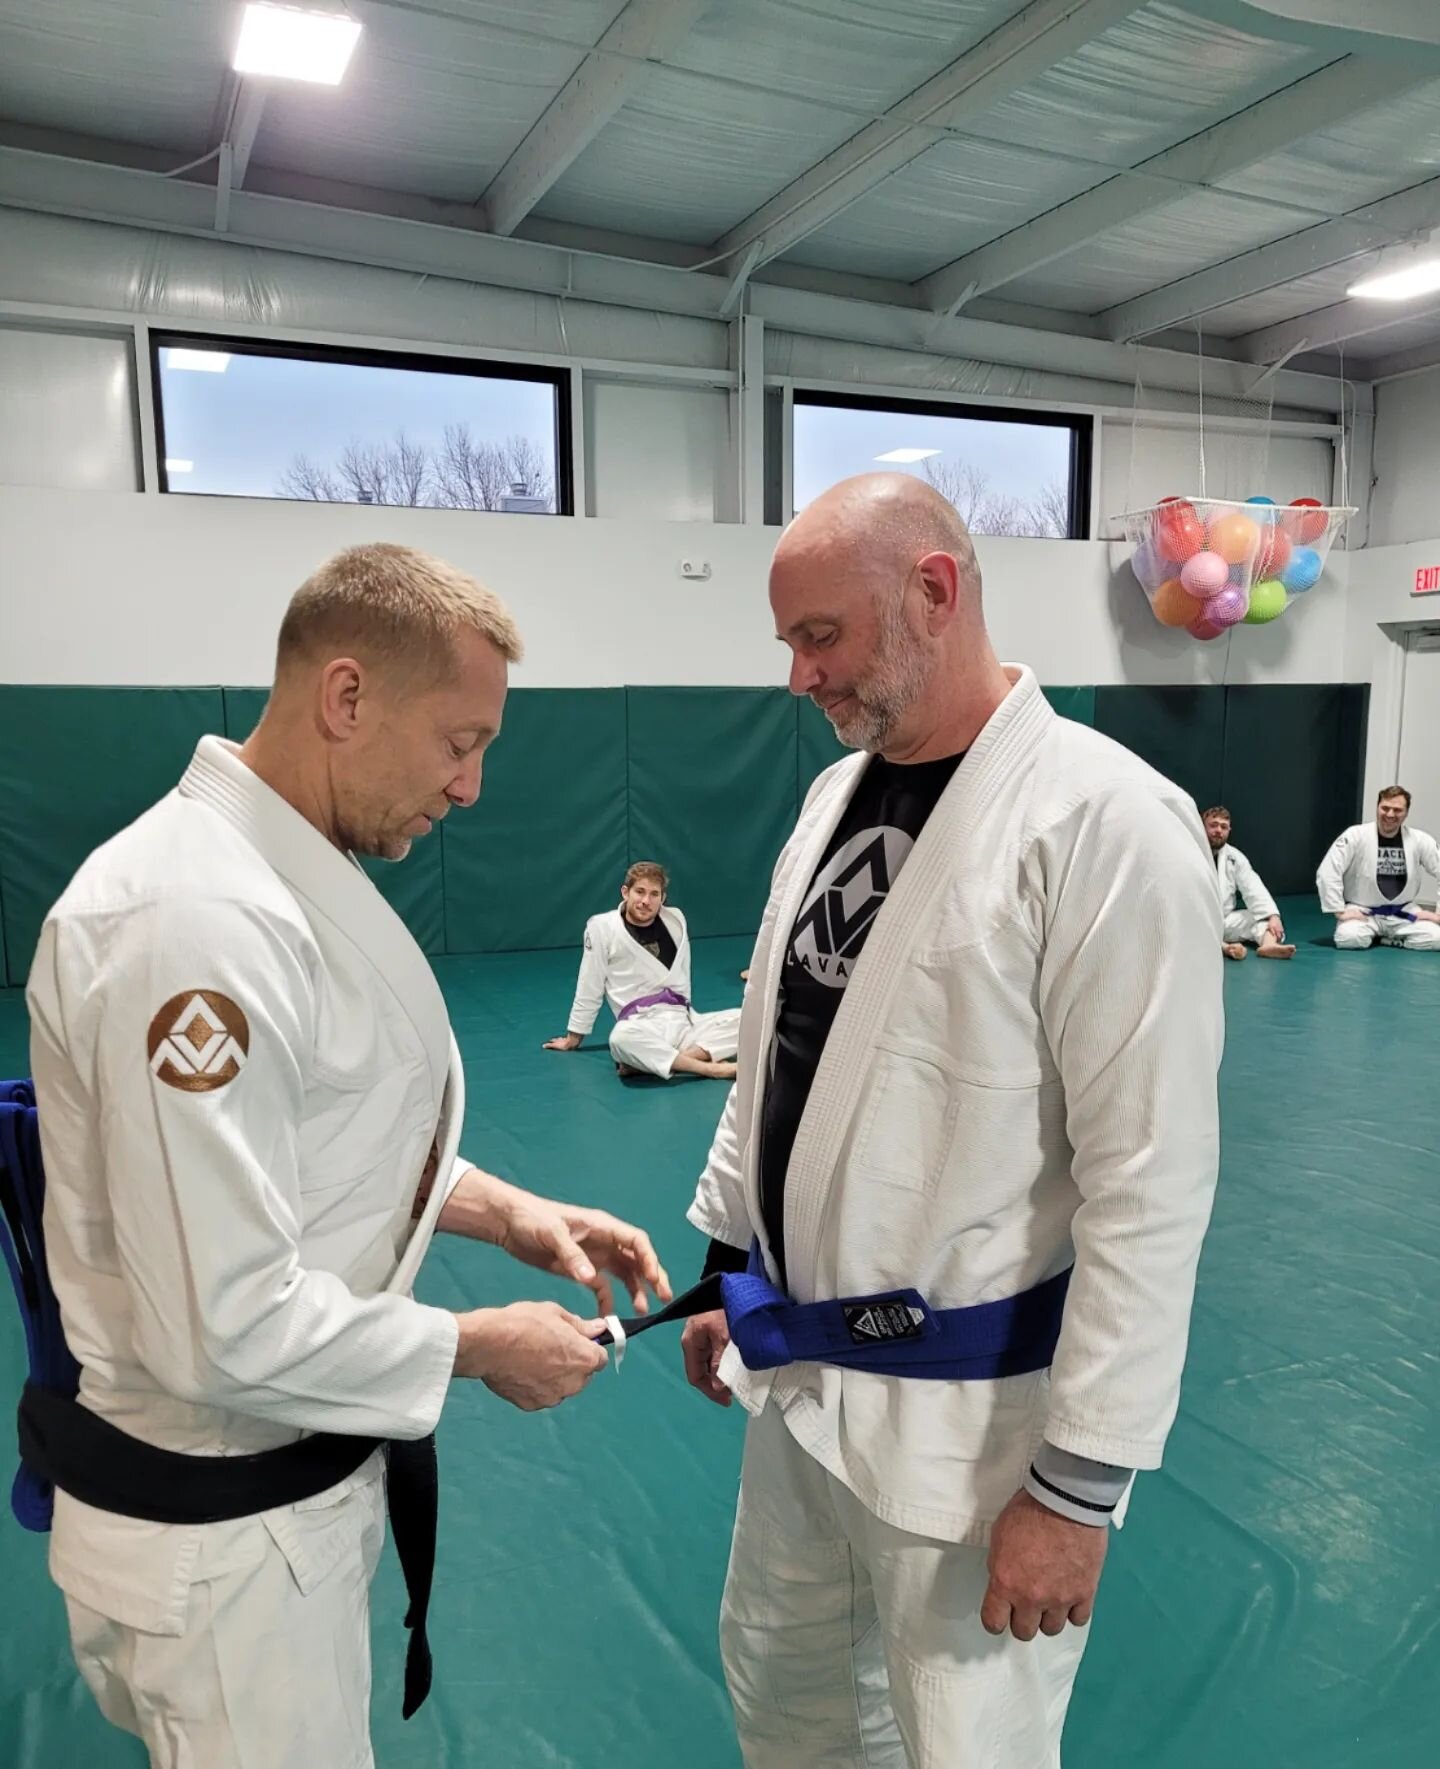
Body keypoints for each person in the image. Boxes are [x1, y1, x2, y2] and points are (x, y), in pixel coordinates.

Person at [23, 543, 670, 1769]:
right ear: (348, 697)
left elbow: (320, 1138)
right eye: (458, 742)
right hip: (218, 1546)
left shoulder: (265, 876)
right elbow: (220, 1325)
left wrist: (510, 1210)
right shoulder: (199, 920)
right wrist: (478, 1346)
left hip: (258, 1509)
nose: (472, 788)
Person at [679, 475, 1223, 1768]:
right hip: (804, 1389)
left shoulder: (1106, 821)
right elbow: (776, 1058)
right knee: (785, 1701)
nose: (798, 676)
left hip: (975, 1437)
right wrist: (725, 1264)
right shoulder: (830, 803)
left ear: (934, 591)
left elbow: (1151, 1178)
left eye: (822, 635)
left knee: (963, 1741)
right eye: (789, 642)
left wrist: (1079, 1483)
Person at [544, 862, 741, 1080]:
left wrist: (686, 1018)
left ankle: (658, 1062)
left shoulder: (676, 920)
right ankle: (710, 1068)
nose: (646, 901)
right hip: (640, 1023)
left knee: (751, 1016)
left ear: (662, 899)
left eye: (654, 894)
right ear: (625, 892)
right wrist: (574, 1036)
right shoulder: (602, 927)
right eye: (640, 892)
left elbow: (683, 977)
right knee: (620, 1040)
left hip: (683, 1020)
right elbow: (590, 982)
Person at [1316, 785, 1440, 951]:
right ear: (1377, 807)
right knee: (1349, 939)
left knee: (1436, 939)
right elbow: (1328, 871)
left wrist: (1438, 915)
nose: (1390, 814)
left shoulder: (1419, 840)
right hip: (1363, 911)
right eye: (1385, 808)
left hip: (1403, 911)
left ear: (1406, 813)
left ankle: (1387, 940)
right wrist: (1338, 910)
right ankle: (1383, 936)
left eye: (1397, 810)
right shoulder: (1355, 835)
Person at [1203, 805, 1294, 959]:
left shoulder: (1235, 857)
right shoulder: (1191, 852)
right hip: (1197, 919)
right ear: (1202, 826)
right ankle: (1225, 948)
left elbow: (1252, 887)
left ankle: (1268, 945)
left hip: (1223, 921)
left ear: (1229, 831)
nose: (1218, 830)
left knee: (1262, 917)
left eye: (1223, 827)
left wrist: (1272, 916)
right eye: (1213, 825)